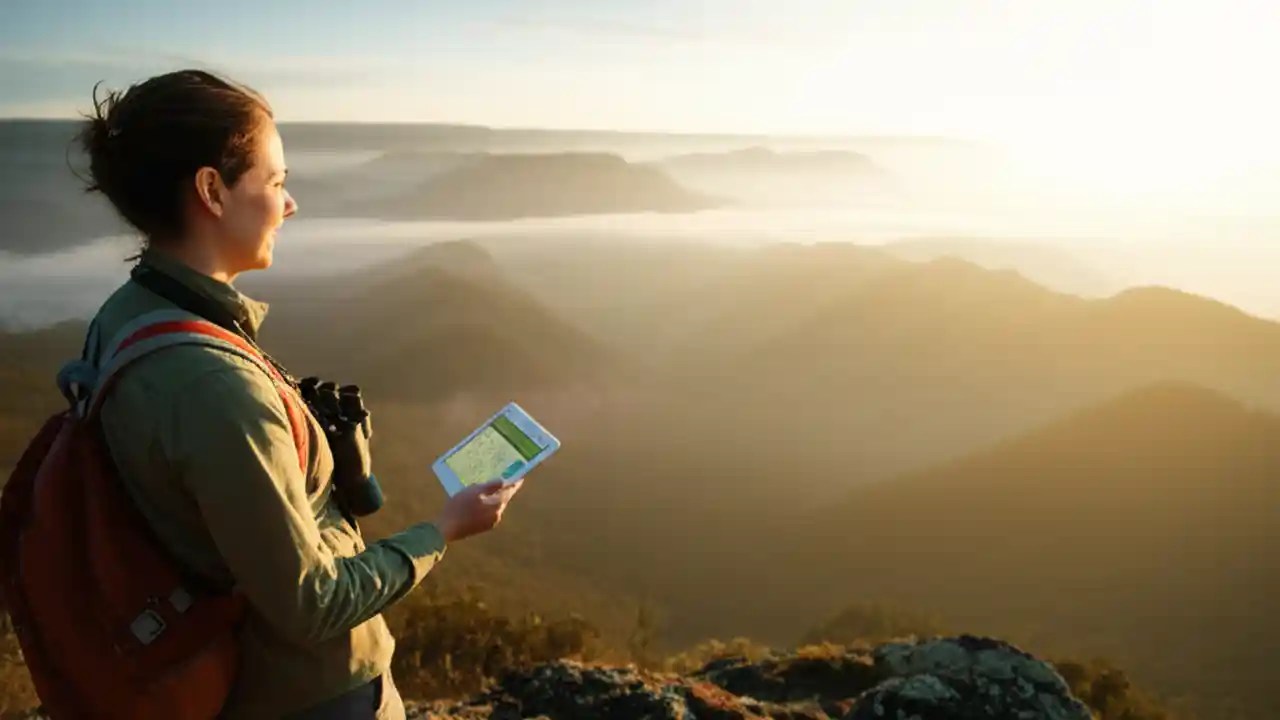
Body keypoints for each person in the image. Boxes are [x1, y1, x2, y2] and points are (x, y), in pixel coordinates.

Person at [77, 69, 522, 719]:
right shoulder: (212, 383)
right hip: (305, 695)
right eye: (276, 182)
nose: (289, 205)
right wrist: (446, 529)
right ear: (212, 190)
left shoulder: (127, 315)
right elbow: (311, 607)